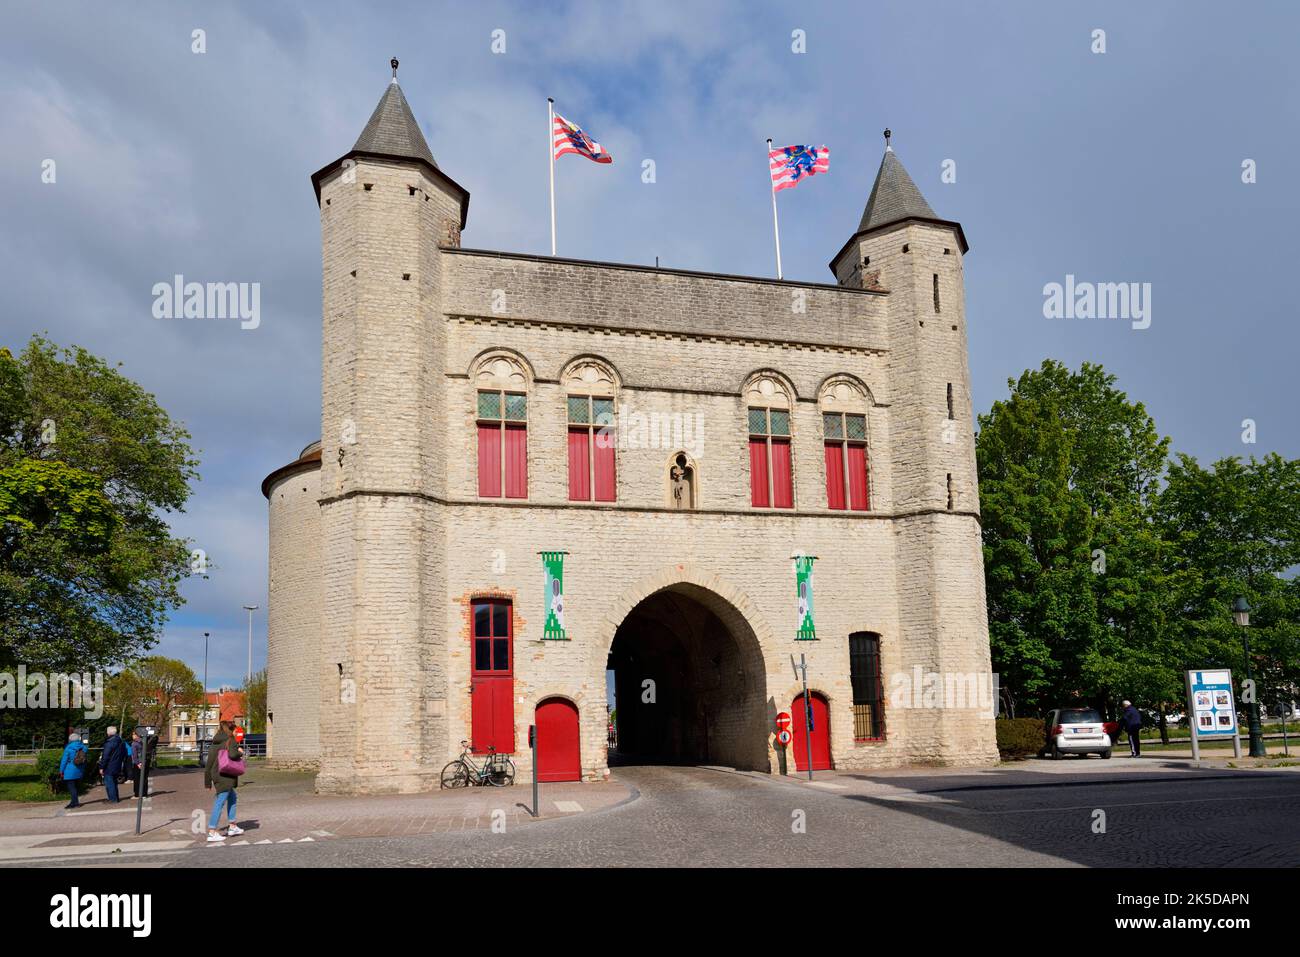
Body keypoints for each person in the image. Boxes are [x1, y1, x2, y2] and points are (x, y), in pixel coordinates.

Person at [203, 720, 245, 842]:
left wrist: (207, 782)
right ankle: (212, 831)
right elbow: (232, 755)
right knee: (220, 802)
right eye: (235, 729)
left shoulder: (214, 743)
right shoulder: (230, 740)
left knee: (232, 797)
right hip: (225, 776)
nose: (236, 731)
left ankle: (232, 826)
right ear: (231, 730)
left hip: (217, 776)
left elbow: (209, 764)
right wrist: (240, 752)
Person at [59, 733, 89, 809]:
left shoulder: (68, 748)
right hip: (79, 770)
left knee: (71, 787)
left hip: (70, 770)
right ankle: (74, 802)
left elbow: (64, 760)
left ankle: (75, 803)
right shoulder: (84, 747)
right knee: (75, 787)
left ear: (70, 740)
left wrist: (61, 771)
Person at [98, 725, 126, 803]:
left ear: (108, 733)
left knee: (109, 783)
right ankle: (115, 798)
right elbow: (124, 753)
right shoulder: (120, 741)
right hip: (117, 764)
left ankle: (113, 799)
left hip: (109, 766)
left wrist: (101, 767)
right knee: (114, 782)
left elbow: (105, 756)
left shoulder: (109, 742)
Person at [129, 730, 144, 798]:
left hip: (137, 763)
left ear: (137, 735)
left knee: (136, 779)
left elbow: (134, 755)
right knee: (141, 779)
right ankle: (142, 793)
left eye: (133, 734)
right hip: (142, 761)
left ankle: (137, 794)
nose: (132, 736)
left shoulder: (134, 744)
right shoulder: (142, 742)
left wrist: (137, 763)